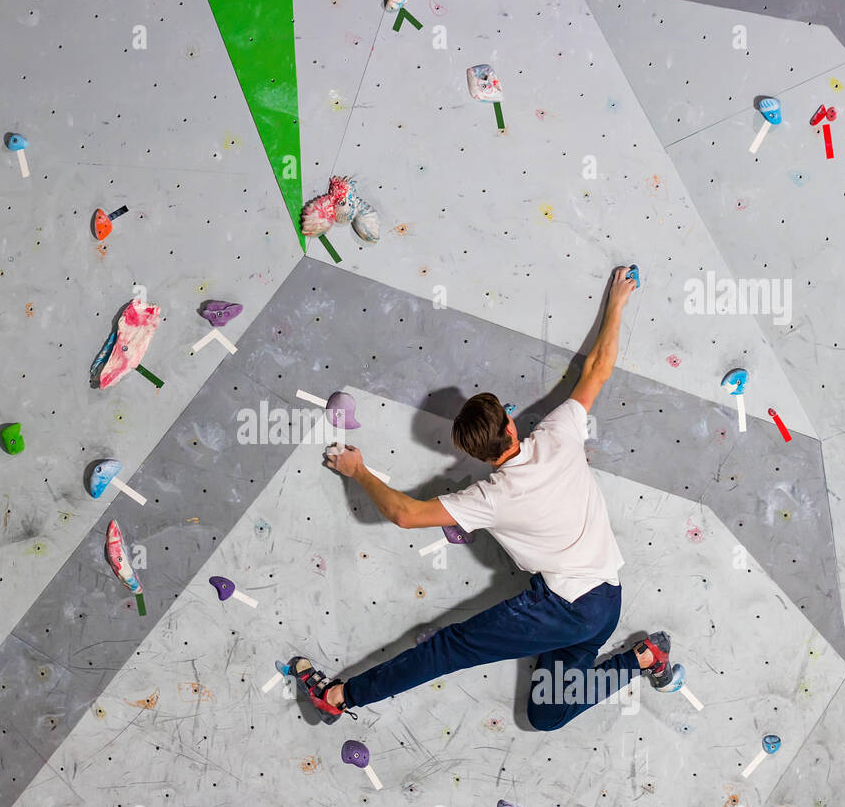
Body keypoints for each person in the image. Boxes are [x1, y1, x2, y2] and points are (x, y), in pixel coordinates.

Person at [289, 266, 685, 729]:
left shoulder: (490, 496)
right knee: (545, 715)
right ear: (511, 424)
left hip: (565, 609)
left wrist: (358, 471)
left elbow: (404, 513)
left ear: (475, 455)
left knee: (449, 648)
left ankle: (337, 696)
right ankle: (642, 659)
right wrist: (616, 304)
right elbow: (597, 368)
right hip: (606, 602)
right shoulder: (559, 434)